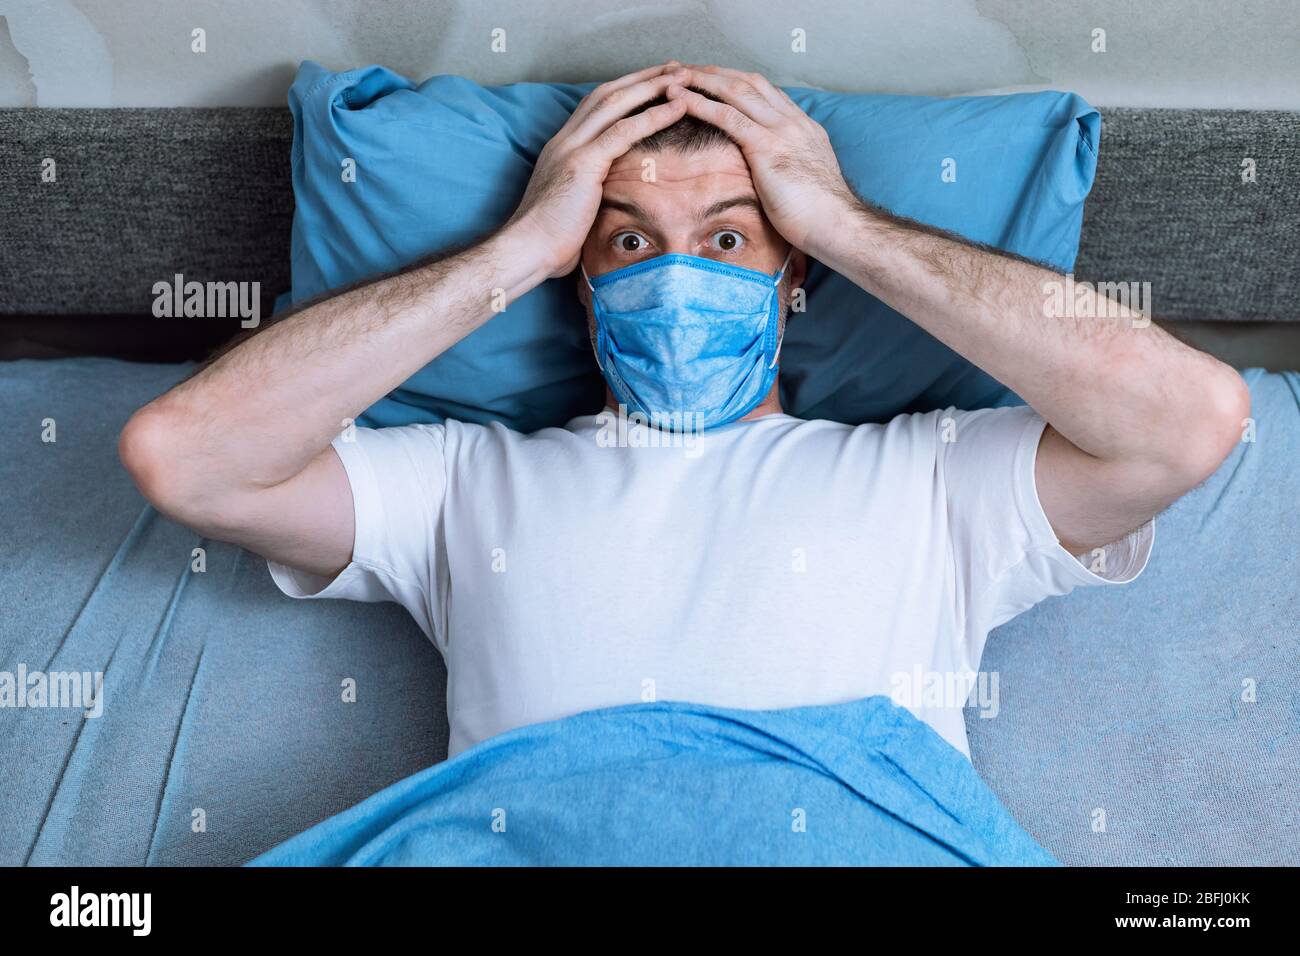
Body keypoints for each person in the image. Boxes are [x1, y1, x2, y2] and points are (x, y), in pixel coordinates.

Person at [119, 62, 1248, 760]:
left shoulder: (936, 474)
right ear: (581, 272)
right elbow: (187, 458)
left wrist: (845, 223)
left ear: (790, 276)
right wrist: (514, 249)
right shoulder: (463, 480)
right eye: (626, 240)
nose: (674, 272)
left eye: (726, 237)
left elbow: (1187, 418)